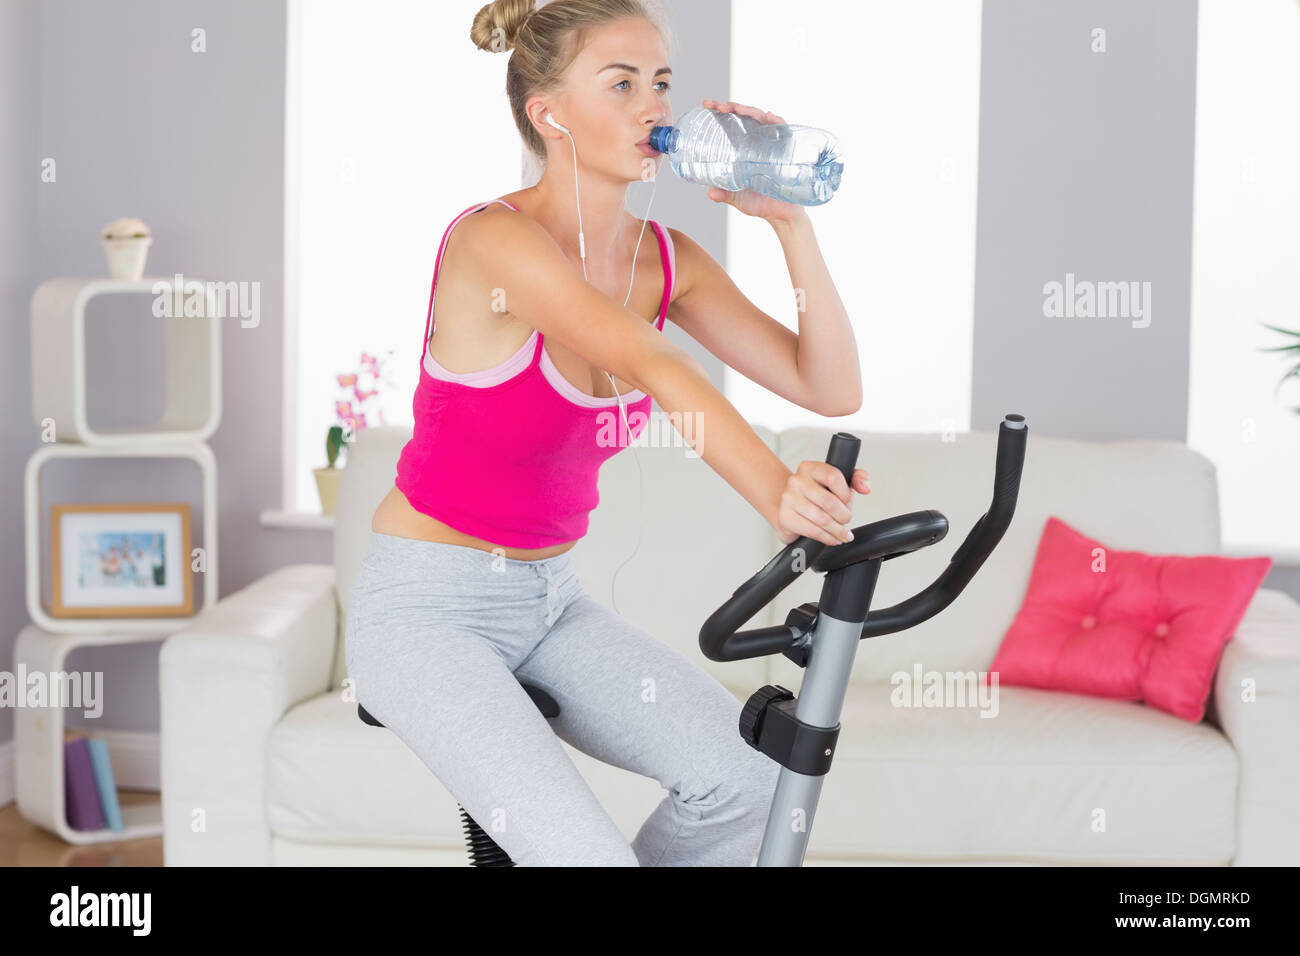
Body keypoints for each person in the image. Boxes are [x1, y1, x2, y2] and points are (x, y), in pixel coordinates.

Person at [346, 0, 869, 866]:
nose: (654, 107)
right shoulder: (492, 245)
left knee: (750, 783)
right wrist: (776, 492)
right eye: (620, 84)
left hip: (549, 601)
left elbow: (830, 385)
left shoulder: (669, 261)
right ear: (549, 114)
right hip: (425, 612)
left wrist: (789, 223)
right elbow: (659, 366)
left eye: (660, 83)